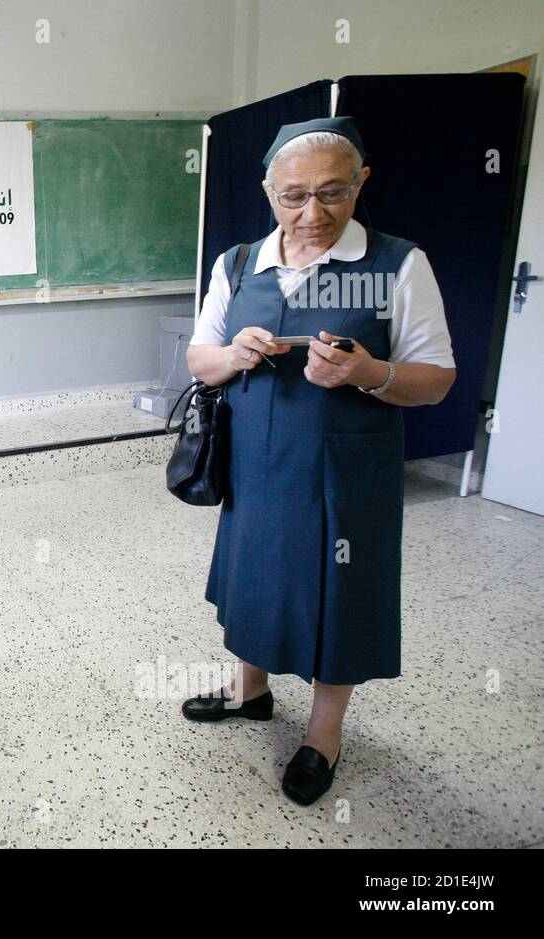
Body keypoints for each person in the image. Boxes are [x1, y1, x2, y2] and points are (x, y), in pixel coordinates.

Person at [183, 117, 456, 805]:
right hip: (257, 464)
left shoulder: (398, 263)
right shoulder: (238, 263)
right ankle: (251, 692)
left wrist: (369, 373)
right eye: (294, 196)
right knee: (254, 579)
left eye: (333, 193)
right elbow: (199, 357)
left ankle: (324, 734)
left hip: (347, 474)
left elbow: (439, 377)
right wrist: (234, 354)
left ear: (362, 183)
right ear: (268, 189)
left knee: (343, 597)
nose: (312, 213)